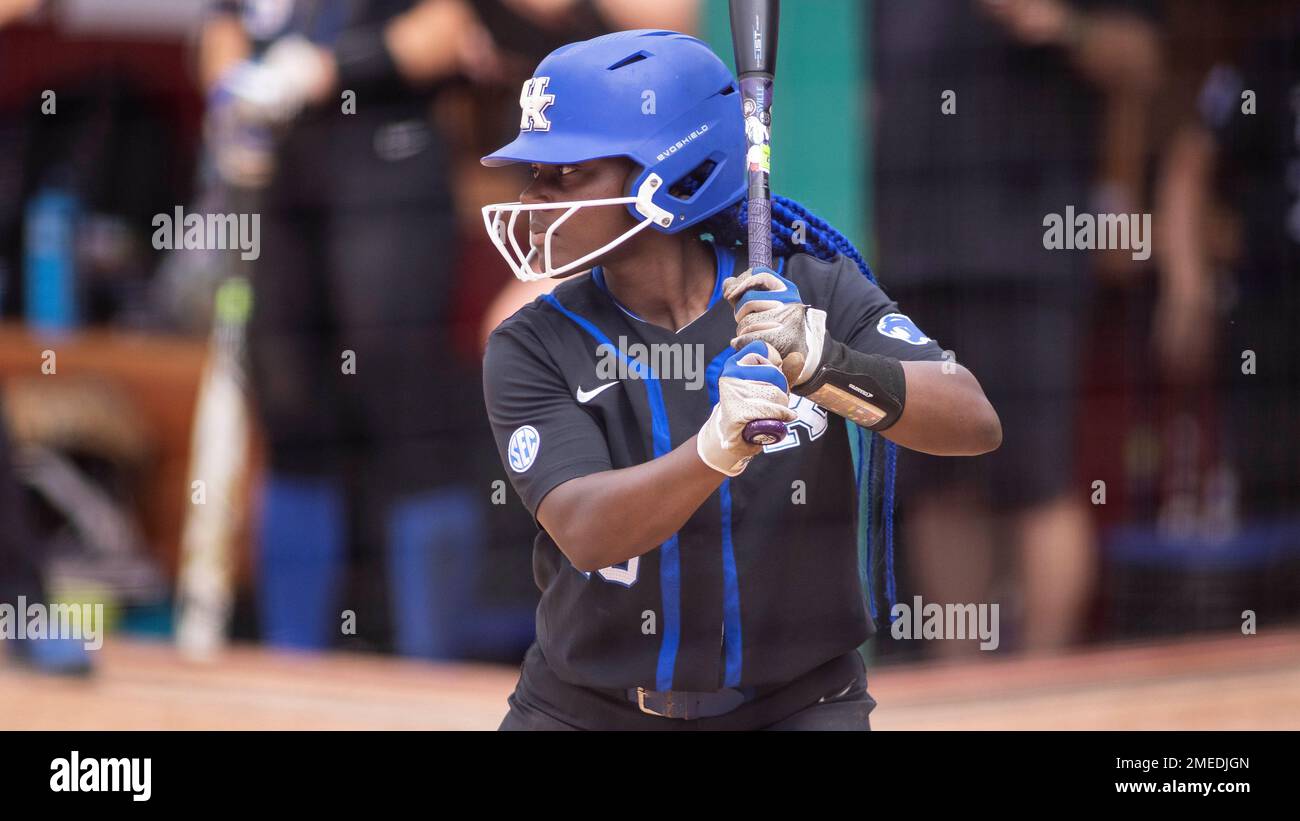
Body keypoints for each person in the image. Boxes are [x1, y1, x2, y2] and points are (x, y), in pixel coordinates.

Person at [480, 30, 1001, 730]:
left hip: (798, 704)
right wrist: (714, 450)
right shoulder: (531, 342)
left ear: (668, 174)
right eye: (535, 172)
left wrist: (826, 369)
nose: (535, 196)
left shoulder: (807, 285)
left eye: (565, 174)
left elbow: (972, 419)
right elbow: (586, 529)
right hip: (587, 710)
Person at [873, 0, 1161, 656]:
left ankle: (1046, 688)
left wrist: (1062, 23)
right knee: (939, 483)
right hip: (914, 251)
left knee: (1038, 481)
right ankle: (966, 691)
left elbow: (1141, 61)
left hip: (1030, 248)